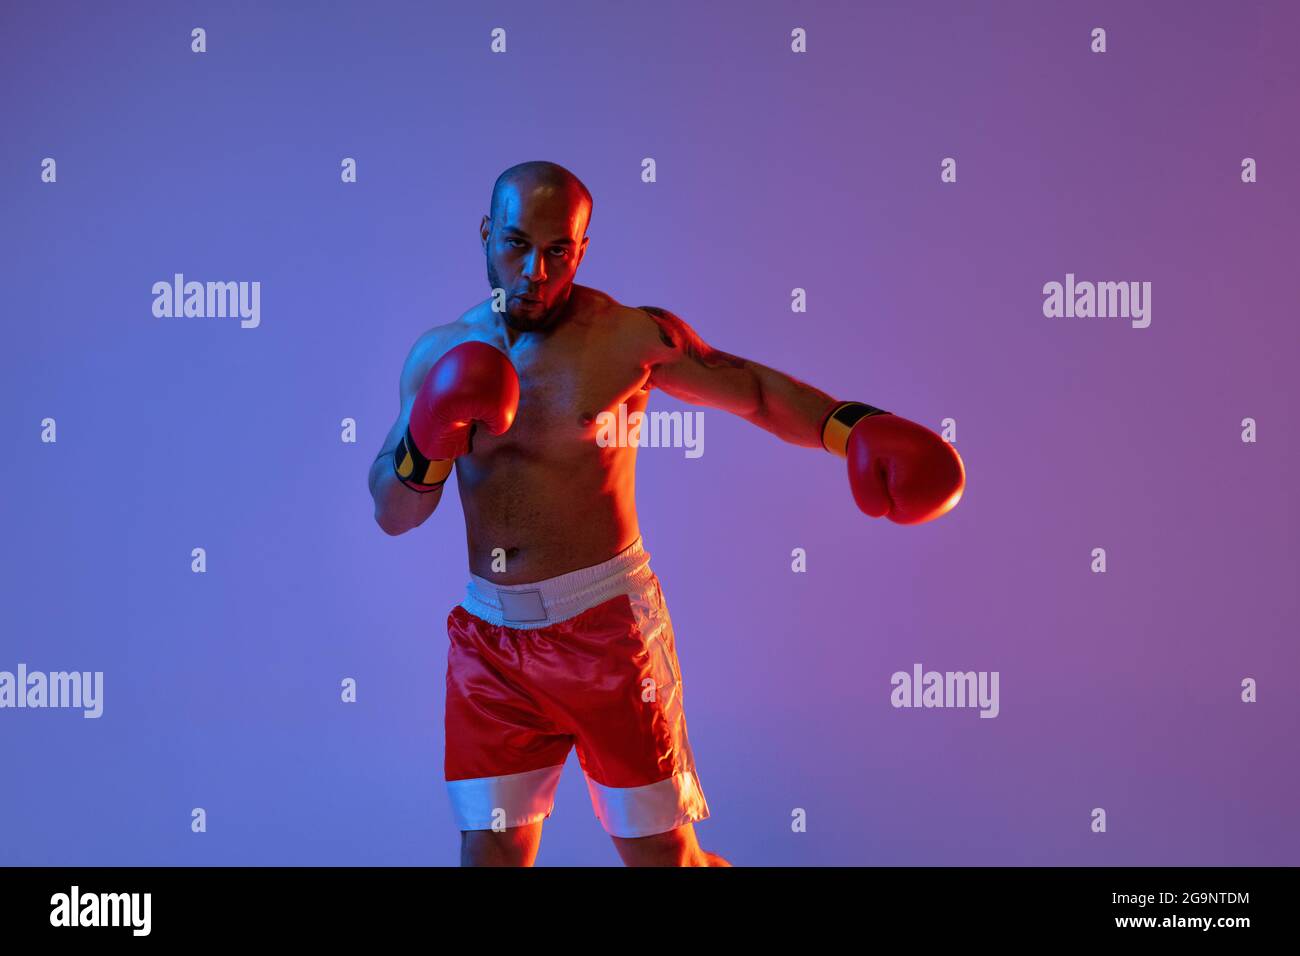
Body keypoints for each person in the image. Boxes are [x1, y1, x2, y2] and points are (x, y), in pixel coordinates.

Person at [368, 161, 965, 867]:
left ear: (582, 249)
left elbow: (754, 392)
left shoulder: (627, 338)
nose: (534, 269)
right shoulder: (440, 355)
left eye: (558, 250)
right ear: (484, 235)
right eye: (516, 243)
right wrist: (425, 440)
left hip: (604, 630)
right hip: (491, 642)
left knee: (663, 859)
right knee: (490, 853)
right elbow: (394, 513)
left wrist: (852, 426)